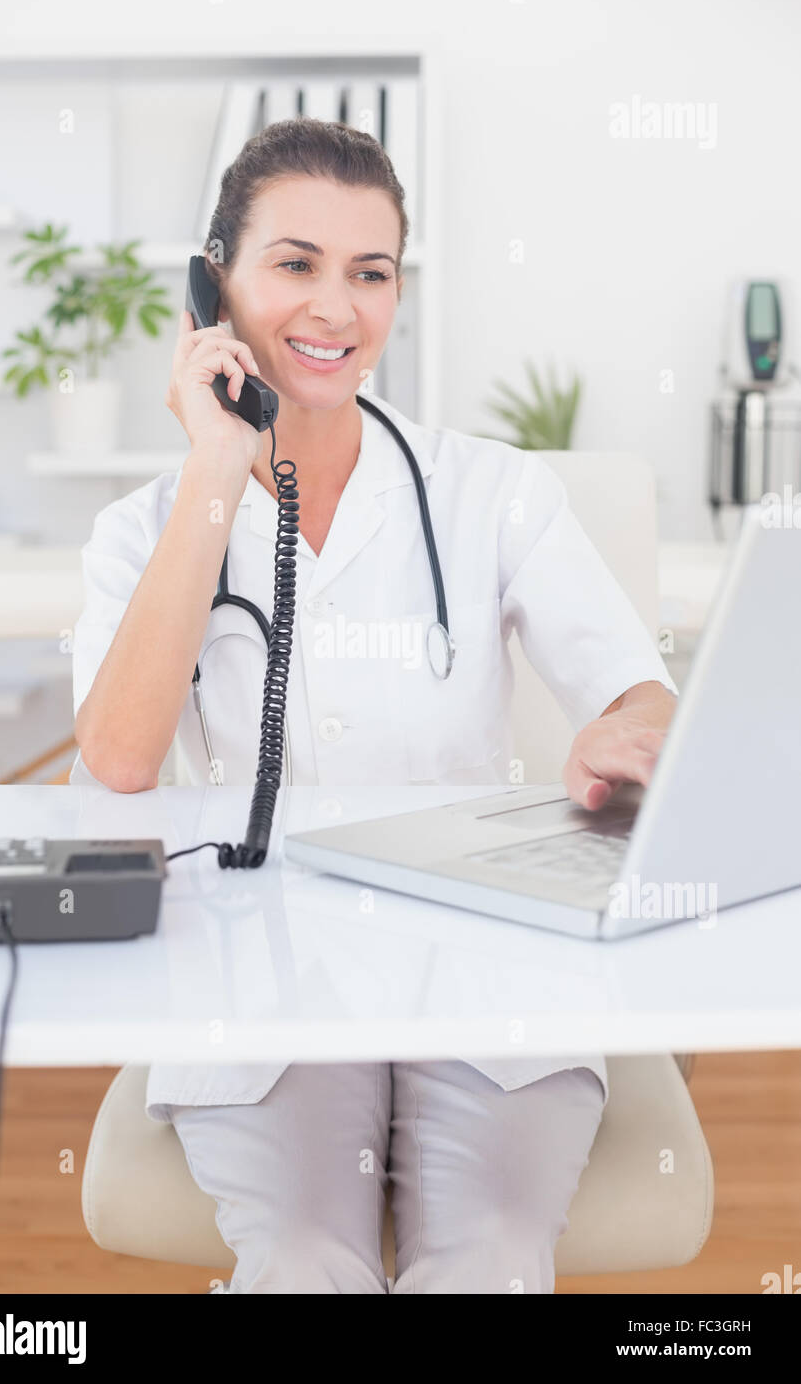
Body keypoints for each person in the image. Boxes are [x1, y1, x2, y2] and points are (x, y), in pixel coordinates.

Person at [70, 118, 678, 1293]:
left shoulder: (491, 489)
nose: (334, 310)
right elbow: (118, 765)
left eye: (370, 272)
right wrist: (214, 469)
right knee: (302, 1263)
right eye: (294, 264)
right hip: (258, 968)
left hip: (486, 960)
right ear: (213, 285)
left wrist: (624, 727)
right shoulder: (141, 528)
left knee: (491, 1259)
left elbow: (633, 688)